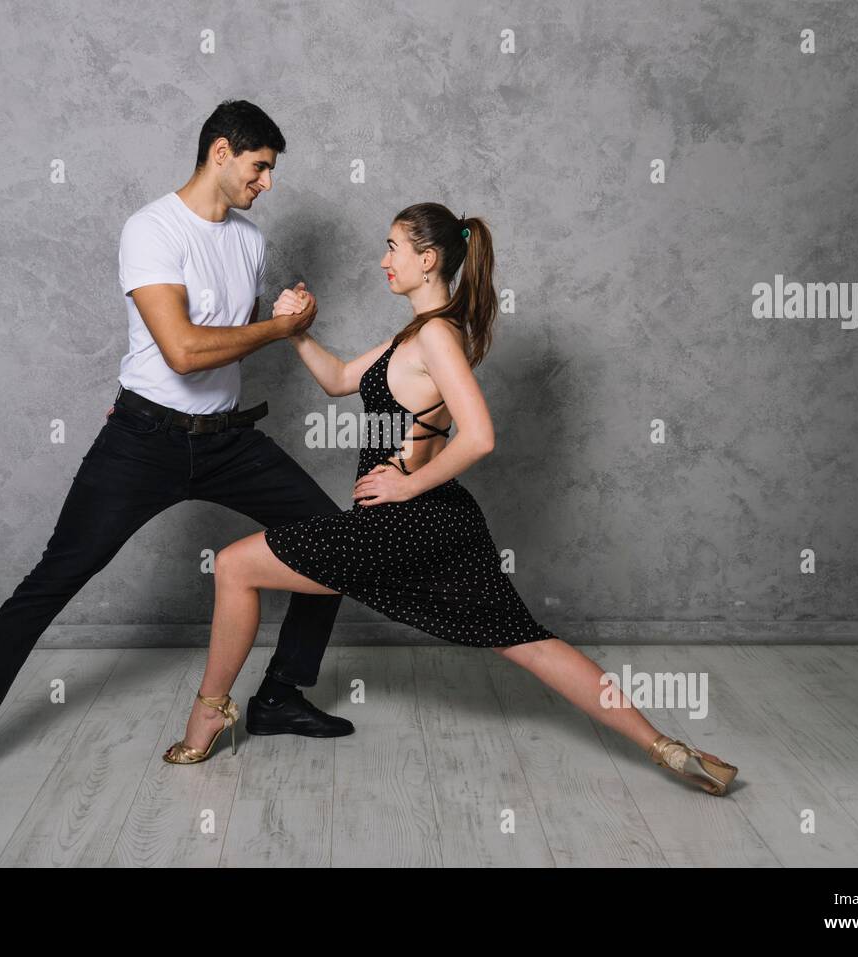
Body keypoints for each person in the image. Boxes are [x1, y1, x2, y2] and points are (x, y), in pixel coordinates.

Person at [0, 100, 357, 831]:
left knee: (334, 541)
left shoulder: (249, 241)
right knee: (49, 583)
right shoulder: (151, 229)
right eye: (261, 167)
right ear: (222, 153)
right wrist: (280, 328)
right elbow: (184, 350)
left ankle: (278, 695)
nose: (267, 183)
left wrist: (286, 316)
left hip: (228, 439)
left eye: (271, 172)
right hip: (143, 442)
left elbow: (237, 333)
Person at [160, 204, 739, 797]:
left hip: (404, 524)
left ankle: (207, 716)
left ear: (428, 259)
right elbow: (337, 380)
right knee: (529, 643)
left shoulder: (435, 335)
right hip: (442, 524)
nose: (383, 260)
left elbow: (480, 434)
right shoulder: (419, 333)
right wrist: (297, 331)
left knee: (232, 566)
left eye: (392, 248)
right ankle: (669, 749)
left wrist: (406, 484)